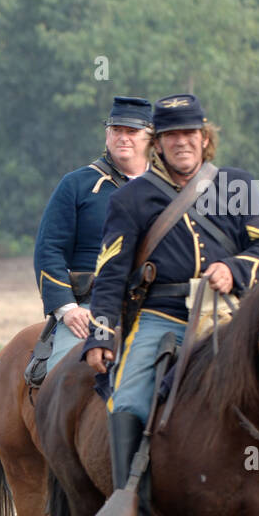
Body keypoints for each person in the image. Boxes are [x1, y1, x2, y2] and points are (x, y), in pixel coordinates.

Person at [82, 94, 259, 516]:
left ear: (204, 137)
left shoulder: (237, 185)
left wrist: (234, 267)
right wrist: (102, 333)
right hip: (162, 315)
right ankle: (132, 510)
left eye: (189, 134)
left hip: (231, 316)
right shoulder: (131, 197)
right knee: (126, 399)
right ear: (158, 143)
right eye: (171, 135)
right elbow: (111, 273)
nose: (182, 143)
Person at [30, 97, 152, 375]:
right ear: (107, 135)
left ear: (151, 138)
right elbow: (49, 250)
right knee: (62, 376)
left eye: (132, 132)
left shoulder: (167, 189)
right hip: (89, 307)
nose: (123, 138)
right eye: (116, 130)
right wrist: (68, 309)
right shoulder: (76, 184)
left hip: (153, 306)